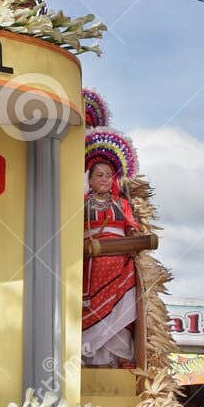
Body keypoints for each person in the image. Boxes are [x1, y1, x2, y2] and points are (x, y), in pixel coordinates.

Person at [81, 129, 141, 370]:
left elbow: (132, 231)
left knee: (121, 311)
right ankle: (88, 358)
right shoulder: (81, 204)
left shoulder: (122, 204)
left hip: (119, 263)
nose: (104, 179)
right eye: (99, 175)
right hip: (90, 264)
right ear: (89, 179)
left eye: (108, 175)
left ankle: (120, 357)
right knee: (93, 310)